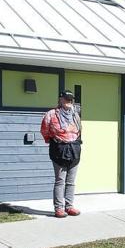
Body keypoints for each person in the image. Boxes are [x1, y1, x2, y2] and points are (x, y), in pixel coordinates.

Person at [40, 90, 82, 218]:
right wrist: (54, 141)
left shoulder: (76, 114)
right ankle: (59, 208)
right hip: (59, 150)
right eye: (67, 99)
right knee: (60, 180)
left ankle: (69, 206)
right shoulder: (51, 114)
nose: (69, 101)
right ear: (61, 99)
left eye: (71, 99)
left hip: (74, 149)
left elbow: (79, 129)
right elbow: (44, 130)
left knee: (71, 181)